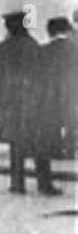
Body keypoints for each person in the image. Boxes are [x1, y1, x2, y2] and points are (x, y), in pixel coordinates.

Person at [0, 9, 56, 195]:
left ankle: (17, 184)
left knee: (16, 145)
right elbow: (44, 77)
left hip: (9, 105)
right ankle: (44, 184)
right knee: (39, 144)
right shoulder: (34, 47)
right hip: (33, 102)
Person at [41, 17, 77, 161]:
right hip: (72, 89)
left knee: (53, 121)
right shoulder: (75, 48)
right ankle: (70, 150)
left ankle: (56, 149)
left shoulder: (44, 50)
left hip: (51, 90)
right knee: (71, 121)